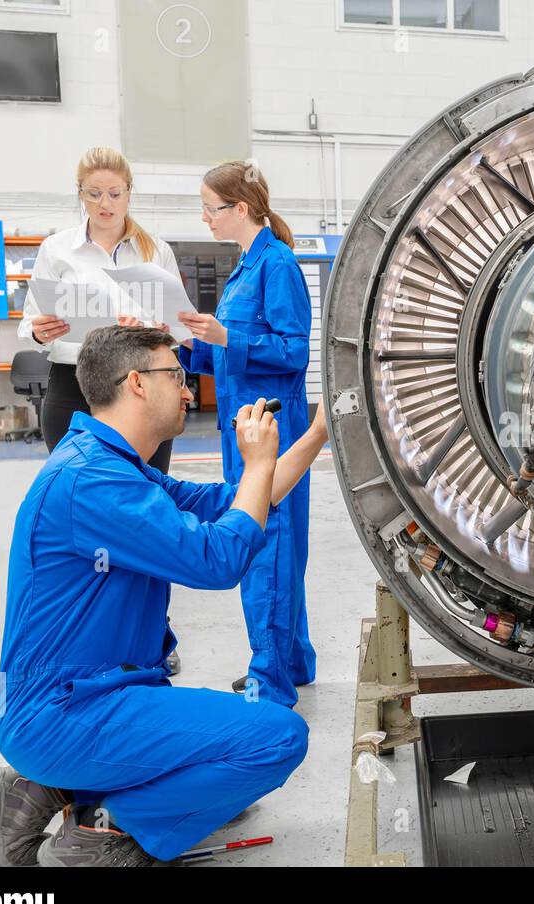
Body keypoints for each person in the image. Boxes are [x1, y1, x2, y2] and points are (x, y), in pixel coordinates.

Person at [0, 325, 329, 866]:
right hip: (61, 710)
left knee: (224, 765)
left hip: (91, 696)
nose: (190, 391)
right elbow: (217, 560)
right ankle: (97, 830)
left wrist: (315, 435)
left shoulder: (117, 467)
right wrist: (258, 463)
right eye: (178, 376)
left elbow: (230, 502)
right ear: (137, 383)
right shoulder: (93, 482)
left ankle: (39, 789)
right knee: (275, 738)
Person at [177, 161, 316, 707]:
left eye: (211, 207)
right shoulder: (245, 268)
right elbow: (230, 360)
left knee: (268, 547)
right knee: (276, 545)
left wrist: (227, 335)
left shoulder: (276, 265)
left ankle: (270, 676)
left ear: (240, 208)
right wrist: (185, 343)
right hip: (245, 428)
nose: (205, 217)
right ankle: (294, 658)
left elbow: (294, 352)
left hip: (271, 429)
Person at [19, 146, 181, 474]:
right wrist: (38, 331)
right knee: (77, 491)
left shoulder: (156, 252)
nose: (104, 204)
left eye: (114, 193)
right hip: (72, 387)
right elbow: (29, 323)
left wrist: (150, 331)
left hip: (143, 385)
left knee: (145, 490)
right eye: (93, 194)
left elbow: (178, 327)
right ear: (79, 193)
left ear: (129, 192)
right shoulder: (56, 249)